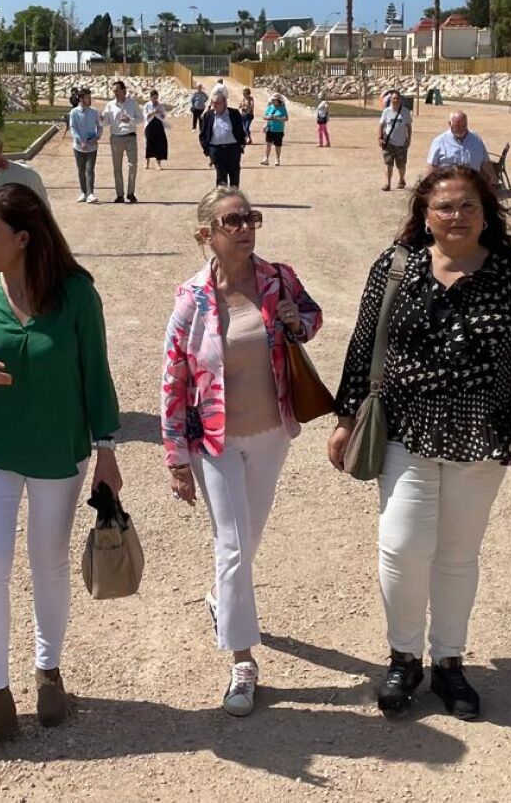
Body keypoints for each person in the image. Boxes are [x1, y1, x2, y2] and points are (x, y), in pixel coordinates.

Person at [327, 165, 511, 722]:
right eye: (444, 207)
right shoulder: (396, 267)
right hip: (405, 429)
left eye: (467, 206)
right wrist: (347, 418)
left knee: (457, 556)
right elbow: (364, 344)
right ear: (424, 215)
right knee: (400, 546)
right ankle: (403, 657)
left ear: (485, 211)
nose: (457, 216)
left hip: (482, 431)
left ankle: (448, 661)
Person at [0, 183, 122, 756]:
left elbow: (97, 375)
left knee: (48, 563)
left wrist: (108, 452)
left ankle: (49, 672)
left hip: (58, 454)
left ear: (24, 236)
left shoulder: (75, 294)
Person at [161, 187, 323, 717]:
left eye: (251, 217)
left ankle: (220, 600)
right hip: (214, 441)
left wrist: (300, 323)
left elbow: (313, 316)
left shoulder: (278, 278)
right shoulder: (191, 298)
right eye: (232, 220)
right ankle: (242, 663)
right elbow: (174, 378)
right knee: (231, 546)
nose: (246, 227)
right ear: (206, 233)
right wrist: (175, 458)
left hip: (271, 431)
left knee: (248, 541)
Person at [102, 79, 144, 204]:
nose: (115, 93)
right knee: (117, 167)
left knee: (133, 166)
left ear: (124, 90)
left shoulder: (132, 103)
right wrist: (101, 119)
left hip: (130, 137)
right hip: (116, 138)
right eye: (113, 91)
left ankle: (130, 193)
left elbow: (140, 119)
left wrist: (130, 120)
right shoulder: (110, 105)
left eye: (117, 90)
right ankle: (119, 194)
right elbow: (105, 122)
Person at [199, 88, 247, 188]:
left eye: (217, 103)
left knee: (234, 175)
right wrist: (208, 151)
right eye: (213, 103)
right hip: (216, 151)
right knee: (221, 177)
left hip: (233, 149)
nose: (215, 105)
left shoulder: (234, 114)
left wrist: (241, 145)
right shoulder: (208, 115)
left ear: (225, 102)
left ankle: (234, 199)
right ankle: (222, 200)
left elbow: (241, 131)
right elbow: (203, 134)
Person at [67, 89, 103, 203]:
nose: (90, 100)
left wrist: (97, 137)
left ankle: (90, 193)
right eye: (87, 97)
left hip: (92, 147)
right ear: (81, 99)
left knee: (90, 169)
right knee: (81, 169)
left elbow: (100, 126)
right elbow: (72, 127)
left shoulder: (94, 112)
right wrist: (79, 140)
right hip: (78, 147)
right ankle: (83, 192)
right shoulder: (74, 112)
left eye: (90, 97)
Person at [424, 111, 489, 174]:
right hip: (449, 182)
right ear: (450, 124)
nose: (461, 129)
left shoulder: (476, 139)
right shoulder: (439, 142)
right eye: (457, 126)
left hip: (473, 182)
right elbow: (432, 167)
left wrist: (493, 179)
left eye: (464, 126)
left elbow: (486, 162)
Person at [378, 94, 414, 191]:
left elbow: (409, 126)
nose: (396, 100)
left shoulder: (405, 112)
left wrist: (409, 138)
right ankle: (388, 183)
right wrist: (379, 138)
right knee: (388, 163)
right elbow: (381, 125)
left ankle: (401, 180)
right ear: (391, 100)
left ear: (401, 100)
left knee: (401, 164)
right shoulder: (386, 112)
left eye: (398, 98)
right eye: (394, 98)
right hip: (388, 142)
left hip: (401, 143)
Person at [143, 89, 171, 169]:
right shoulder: (147, 105)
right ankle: (147, 163)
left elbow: (164, 116)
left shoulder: (160, 105)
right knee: (149, 144)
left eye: (156, 97)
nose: (155, 99)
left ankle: (158, 163)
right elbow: (145, 116)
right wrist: (154, 112)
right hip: (149, 126)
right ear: (151, 97)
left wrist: (161, 113)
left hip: (158, 125)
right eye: (153, 97)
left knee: (160, 143)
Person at [260, 93, 289, 166]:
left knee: (278, 145)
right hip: (270, 129)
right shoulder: (270, 107)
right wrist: (269, 117)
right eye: (272, 100)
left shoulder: (283, 108)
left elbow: (286, 118)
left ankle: (277, 159)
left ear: (278, 101)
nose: (272, 101)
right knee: (268, 144)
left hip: (279, 130)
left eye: (274, 100)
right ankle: (266, 158)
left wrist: (278, 118)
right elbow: (264, 116)